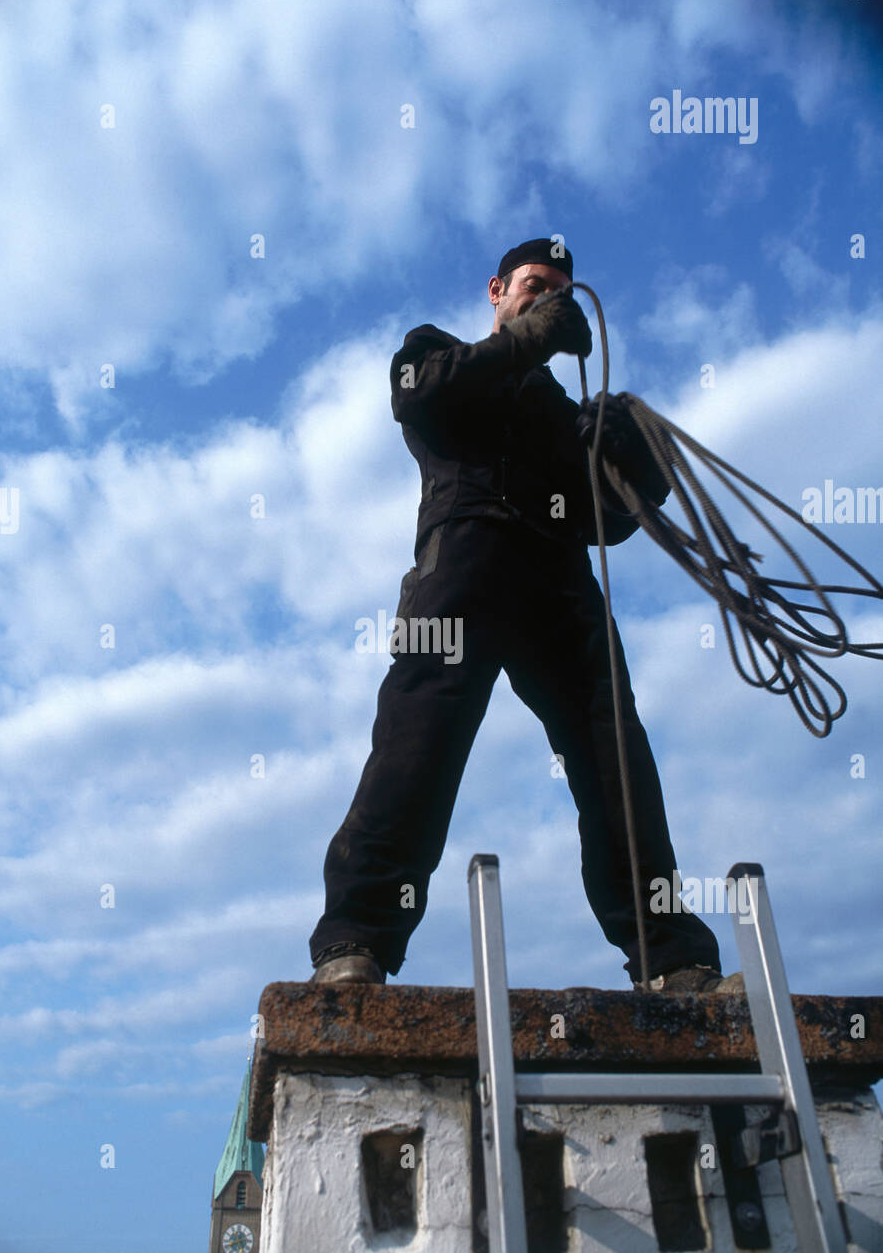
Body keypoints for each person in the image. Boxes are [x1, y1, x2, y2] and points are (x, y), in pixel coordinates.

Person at [308, 238, 742, 994]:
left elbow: (602, 522)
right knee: (418, 740)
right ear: (496, 290)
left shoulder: (562, 415)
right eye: (534, 286)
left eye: (559, 295)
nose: (547, 300)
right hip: (462, 561)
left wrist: (634, 463)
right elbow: (417, 396)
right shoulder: (435, 351)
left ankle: (671, 957)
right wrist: (520, 344)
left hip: (557, 580)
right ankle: (355, 939)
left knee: (614, 750)